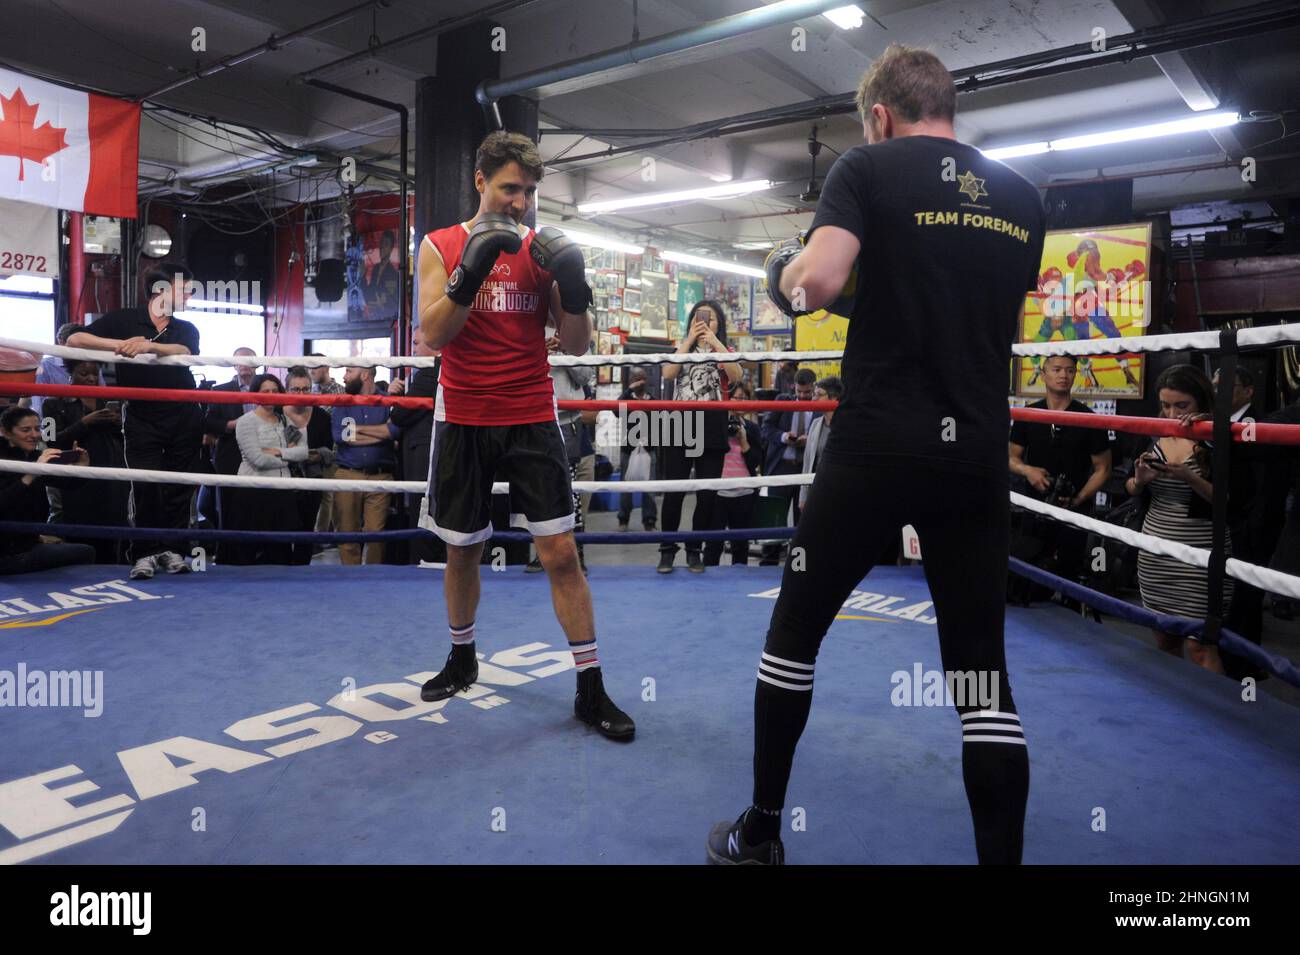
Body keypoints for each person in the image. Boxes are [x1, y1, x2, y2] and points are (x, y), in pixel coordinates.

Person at [708, 44, 1046, 864]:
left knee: (794, 631)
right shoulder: (1022, 198)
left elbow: (817, 285)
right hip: (974, 451)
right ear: (948, 109)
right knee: (979, 675)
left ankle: (759, 831)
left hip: (876, 445)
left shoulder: (866, 167)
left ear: (881, 116)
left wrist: (788, 267)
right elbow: (984, 301)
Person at [415, 130, 633, 739]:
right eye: (511, 188)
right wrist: (470, 272)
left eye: (529, 192)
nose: (520, 202)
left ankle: (590, 688)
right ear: (480, 182)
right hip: (462, 417)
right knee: (462, 548)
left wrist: (577, 290)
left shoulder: (543, 250)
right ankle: (462, 657)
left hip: (532, 415)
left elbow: (579, 345)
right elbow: (434, 334)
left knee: (561, 552)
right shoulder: (440, 245)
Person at [66, 263, 202, 581]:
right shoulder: (123, 319)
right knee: (143, 485)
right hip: (142, 415)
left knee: (179, 485)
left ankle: (173, 550)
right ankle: (143, 552)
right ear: (161, 291)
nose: (189, 295)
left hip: (184, 414)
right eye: (184, 288)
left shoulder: (186, 327)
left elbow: (184, 349)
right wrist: (120, 345)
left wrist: (149, 346)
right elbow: (74, 339)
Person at [1126, 364, 1235, 674]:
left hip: (1200, 552)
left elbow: (1229, 501)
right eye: (1165, 405)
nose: (1171, 413)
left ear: (1201, 401)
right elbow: (1130, 488)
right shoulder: (1155, 433)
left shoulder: (1216, 436)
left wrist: (1190, 477)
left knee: (1201, 645)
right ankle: (1175, 718)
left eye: (1181, 405)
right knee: (1164, 638)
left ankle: (1212, 717)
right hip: (1156, 549)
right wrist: (1140, 480)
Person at [1008, 354, 1112, 603]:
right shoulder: (1028, 415)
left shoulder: (1088, 418)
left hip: (1074, 510)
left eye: (1069, 370)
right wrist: (1028, 471)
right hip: (1035, 506)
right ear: (1043, 374)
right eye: (1056, 369)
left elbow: (1103, 469)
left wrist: (1077, 499)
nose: (1063, 375)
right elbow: (1010, 458)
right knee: (1026, 574)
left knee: (1069, 575)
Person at [658, 299, 742, 574]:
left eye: (711, 318)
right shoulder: (682, 348)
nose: (705, 321)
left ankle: (695, 550)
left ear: (720, 324)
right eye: (699, 317)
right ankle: (667, 551)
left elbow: (737, 375)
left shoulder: (724, 351)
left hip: (712, 423)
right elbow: (668, 373)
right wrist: (690, 339)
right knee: (674, 492)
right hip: (680, 422)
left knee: (707, 495)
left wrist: (715, 343)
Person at [43, 359, 128, 563]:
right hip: (77, 471)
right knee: (79, 521)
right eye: (84, 373)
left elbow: (129, 439)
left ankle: (112, 569)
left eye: (94, 373)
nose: (90, 378)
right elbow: (50, 439)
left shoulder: (109, 400)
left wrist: (119, 424)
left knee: (113, 523)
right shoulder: (53, 403)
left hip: (111, 469)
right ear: (71, 373)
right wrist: (85, 423)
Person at [0, 406, 95, 575]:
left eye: (37, 429)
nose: (34, 435)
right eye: (26, 430)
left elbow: (67, 484)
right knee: (85, 553)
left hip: (26, 542)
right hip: (9, 552)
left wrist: (81, 468)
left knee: (79, 548)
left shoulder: (33, 456)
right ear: (5, 432)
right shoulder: (6, 460)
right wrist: (33, 473)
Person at [527, 332, 593, 574]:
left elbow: (586, 376)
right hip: (533, 416)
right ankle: (541, 554)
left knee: (570, 488)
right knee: (536, 489)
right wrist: (537, 349)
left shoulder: (575, 326)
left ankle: (577, 554)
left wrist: (567, 348)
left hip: (567, 420)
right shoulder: (529, 323)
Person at [386, 328, 444, 566]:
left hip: (424, 456)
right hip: (424, 454)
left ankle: (425, 561)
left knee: (424, 507)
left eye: (417, 343)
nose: (413, 349)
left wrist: (393, 400)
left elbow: (400, 415)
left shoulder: (431, 372)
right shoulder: (429, 373)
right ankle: (426, 559)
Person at [331, 365, 398, 565]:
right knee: (347, 532)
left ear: (365, 374)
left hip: (380, 476)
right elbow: (342, 436)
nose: (343, 377)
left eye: (349, 371)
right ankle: (350, 579)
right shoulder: (343, 402)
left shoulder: (387, 400)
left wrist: (358, 430)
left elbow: (393, 432)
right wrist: (381, 433)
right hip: (348, 473)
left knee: (376, 534)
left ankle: (372, 578)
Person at [203, 347, 259, 560]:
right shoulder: (221, 390)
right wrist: (230, 425)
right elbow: (207, 422)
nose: (244, 364)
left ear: (257, 362)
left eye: (248, 360)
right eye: (239, 361)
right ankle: (227, 555)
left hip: (263, 455)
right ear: (233, 365)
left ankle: (256, 553)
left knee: (258, 506)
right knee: (227, 507)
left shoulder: (267, 388)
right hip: (230, 456)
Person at [760, 368, 817, 563]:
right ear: (794, 388)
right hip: (782, 466)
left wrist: (811, 440)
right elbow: (766, 429)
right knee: (774, 518)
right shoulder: (782, 401)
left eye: (807, 392)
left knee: (804, 520)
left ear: (813, 388)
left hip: (806, 469)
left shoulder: (821, 409)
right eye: (799, 392)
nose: (802, 396)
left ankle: (799, 564)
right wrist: (785, 437)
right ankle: (768, 563)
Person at [282, 366, 336, 565]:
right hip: (282, 480)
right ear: (287, 390)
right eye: (296, 389)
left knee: (306, 530)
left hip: (311, 481)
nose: (301, 394)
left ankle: (301, 572)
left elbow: (328, 451)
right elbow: (274, 449)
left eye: (306, 389)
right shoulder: (277, 414)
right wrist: (306, 453)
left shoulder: (321, 416)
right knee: (281, 530)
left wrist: (305, 454)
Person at [704, 406, 763, 567]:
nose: (739, 403)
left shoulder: (752, 428)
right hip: (717, 492)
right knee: (713, 544)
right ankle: (706, 584)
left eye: (743, 398)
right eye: (736, 398)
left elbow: (756, 461)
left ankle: (740, 581)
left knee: (741, 544)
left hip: (744, 493)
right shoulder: (714, 426)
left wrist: (743, 441)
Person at [616, 368, 658, 532]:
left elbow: (662, 422)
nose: (639, 381)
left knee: (650, 488)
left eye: (641, 378)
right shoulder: (626, 398)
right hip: (628, 449)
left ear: (646, 380)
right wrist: (629, 390)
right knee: (626, 487)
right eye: (635, 378)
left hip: (648, 449)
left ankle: (649, 521)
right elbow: (615, 411)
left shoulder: (653, 400)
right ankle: (623, 520)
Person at [33, 324, 102, 416]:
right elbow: (39, 402)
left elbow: (102, 394)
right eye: (77, 344)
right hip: (56, 419)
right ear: (61, 342)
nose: (81, 349)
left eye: (84, 345)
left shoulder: (93, 366)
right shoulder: (45, 365)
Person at [799, 375, 842, 512]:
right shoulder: (816, 424)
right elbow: (807, 462)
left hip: (839, 489)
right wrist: (803, 497)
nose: (813, 399)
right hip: (816, 489)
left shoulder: (847, 425)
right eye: (814, 394)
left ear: (834, 398)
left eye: (819, 395)